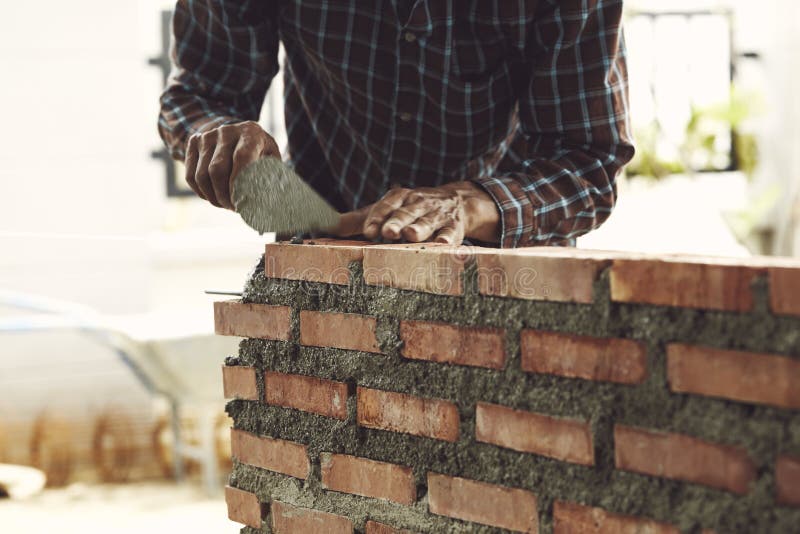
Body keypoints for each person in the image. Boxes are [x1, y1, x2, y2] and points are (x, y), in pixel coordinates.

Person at [158, 0, 633, 248]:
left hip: (501, 269)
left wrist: (468, 206)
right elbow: (201, 94)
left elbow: (587, 165)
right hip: (323, 263)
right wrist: (220, 140)